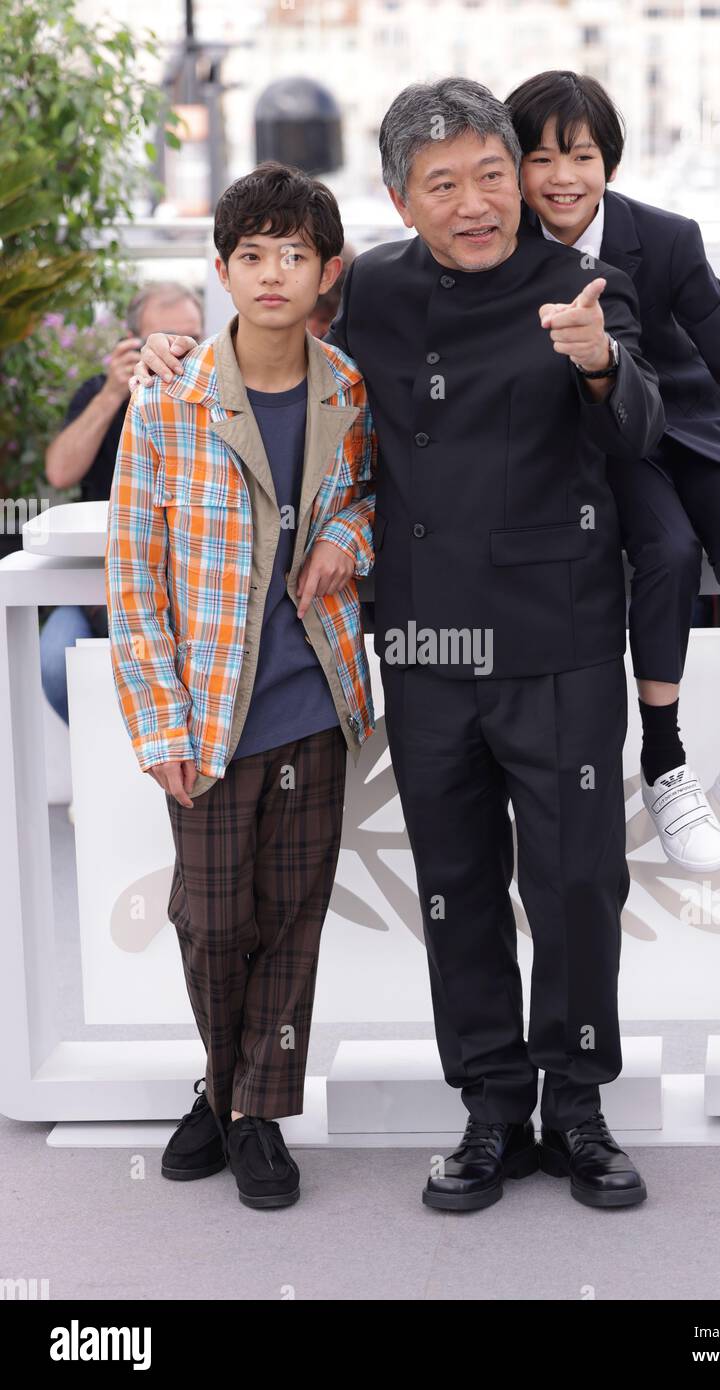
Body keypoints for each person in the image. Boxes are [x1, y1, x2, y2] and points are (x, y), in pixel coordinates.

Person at [137, 78, 665, 1214]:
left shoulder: (584, 283)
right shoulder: (366, 286)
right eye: (444, 185)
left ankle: (576, 1109)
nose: (477, 202)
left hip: (562, 637)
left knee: (578, 882)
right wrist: (168, 364)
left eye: (491, 175)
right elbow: (277, 354)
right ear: (399, 198)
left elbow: (641, 427)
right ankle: (486, 1108)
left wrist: (599, 363)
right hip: (423, 643)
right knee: (457, 887)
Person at [105, 162, 377, 1210]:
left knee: (292, 915)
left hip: (314, 699)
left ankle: (256, 1112)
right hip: (209, 715)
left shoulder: (348, 389)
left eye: (294, 254)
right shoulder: (170, 398)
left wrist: (346, 539)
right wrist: (156, 721)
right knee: (212, 919)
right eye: (253, 254)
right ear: (222, 271)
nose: (273, 273)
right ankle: (222, 1086)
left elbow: (370, 501)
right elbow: (134, 575)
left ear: (327, 271)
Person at [507, 69, 720, 873]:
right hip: (613, 442)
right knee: (669, 552)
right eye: (538, 158)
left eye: (578, 155)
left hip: (699, 424)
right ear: (513, 168)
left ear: (607, 161)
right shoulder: (504, 248)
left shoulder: (668, 235)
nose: (560, 178)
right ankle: (663, 759)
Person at [41, 283, 203, 724]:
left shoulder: (213, 394)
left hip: (185, 582)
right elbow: (59, 471)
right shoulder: (100, 392)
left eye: (190, 338)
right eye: (160, 338)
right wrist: (114, 392)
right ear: (132, 343)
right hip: (96, 581)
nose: (174, 352)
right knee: (56, 663)